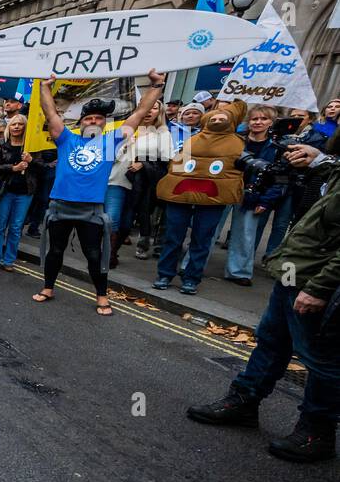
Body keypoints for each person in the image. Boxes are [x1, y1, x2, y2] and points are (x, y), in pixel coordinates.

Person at [186, 143, 338, 462]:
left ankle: (316, 432)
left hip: (317, 279)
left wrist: (322, 287)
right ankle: (243, 402)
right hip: (294, 271)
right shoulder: (334, 169)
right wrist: (320, 159)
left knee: (323, 362)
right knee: (271, 340)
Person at [33, 69, 167, 316]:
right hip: (60, 207)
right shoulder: (66, 139)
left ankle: (102, 296)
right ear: (81, 122)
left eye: (98, 118)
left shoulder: (110, 141)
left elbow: (138, 114)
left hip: (91, 210)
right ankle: (48, 287)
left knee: (94, 255)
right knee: (55, 251)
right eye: (88, 118)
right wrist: (45, 86)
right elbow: (50, 113)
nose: (93, 121)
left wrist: (156, 85)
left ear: (104, 123)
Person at [153, 99, 247, 295]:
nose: (218, 120)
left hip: (213, 198)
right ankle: (165, 273)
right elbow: (177, 166)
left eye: (223, 117)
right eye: (215, 116)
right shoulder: (193, 140)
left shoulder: (237, 143)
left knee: (202, 239)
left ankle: (191, 278)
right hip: (182, 194)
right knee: (173, 236)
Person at [224, 106, 285, 286]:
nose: (258, 122)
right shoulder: (235, 140)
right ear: (248, 122)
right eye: (254, 119)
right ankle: (193, 264)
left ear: (271, 123)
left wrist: (266, 201)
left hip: (254, 194)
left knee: (245, 233)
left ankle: (239, 272)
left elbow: (280, 178)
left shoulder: (277, 147)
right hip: (226, 188)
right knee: (209, 229)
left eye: (263, 119)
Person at [108, 100, 172, 268]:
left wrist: (144, 163)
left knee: (127, 223)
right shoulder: (125, 128)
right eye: (147, 107)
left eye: (155, 108)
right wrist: (122, 147)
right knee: (112, 219)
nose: (150, 111)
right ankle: (107, 255)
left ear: (160, 112)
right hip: (117, 180)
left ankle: (114, 250)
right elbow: (107, 154)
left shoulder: (162, 133)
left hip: (140, 185)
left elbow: (166, 161)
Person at [0, 114, 39, 271]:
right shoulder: (1, 145)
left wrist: (32, 161)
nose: (16, 127)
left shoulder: (32, 148)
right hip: (5, 192)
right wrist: (13, 168)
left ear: (25, 127)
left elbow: (43, 168)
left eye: (20, 124)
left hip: (25, 193)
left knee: (16, 228)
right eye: (13, 124)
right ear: (9, 127)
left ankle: (9, 260)